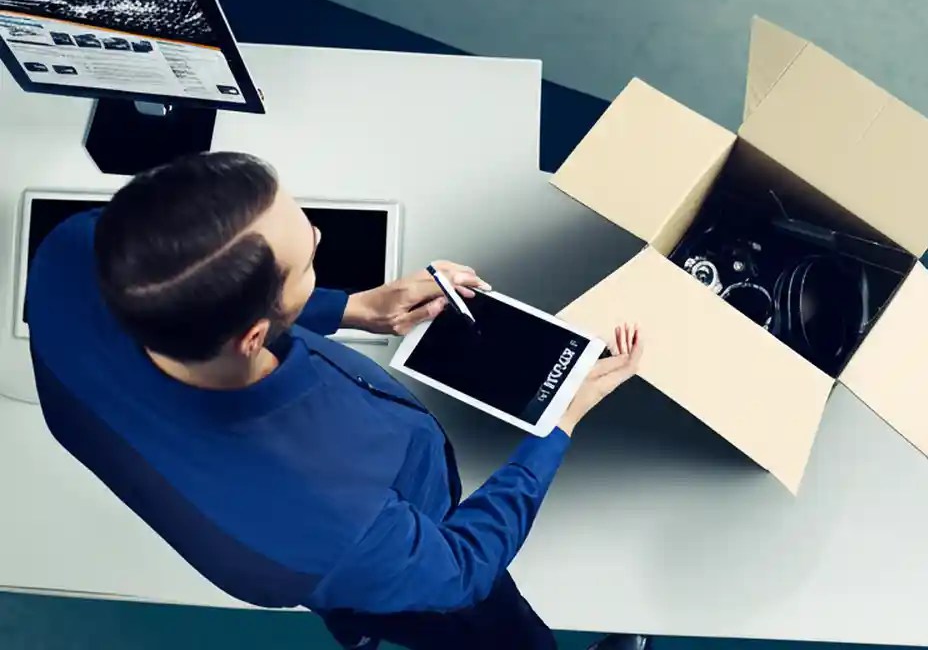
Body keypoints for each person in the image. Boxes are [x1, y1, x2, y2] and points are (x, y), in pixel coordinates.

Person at [27, 151, 651, 650]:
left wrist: (352, 308)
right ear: (251, 338)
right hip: (400, 559)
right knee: (488, 629)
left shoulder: (77, 251)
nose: (320, 234)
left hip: (345, 552)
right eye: (308, 262)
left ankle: (360, 620)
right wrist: (557, 423)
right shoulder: (324, 516)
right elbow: (461, 570)